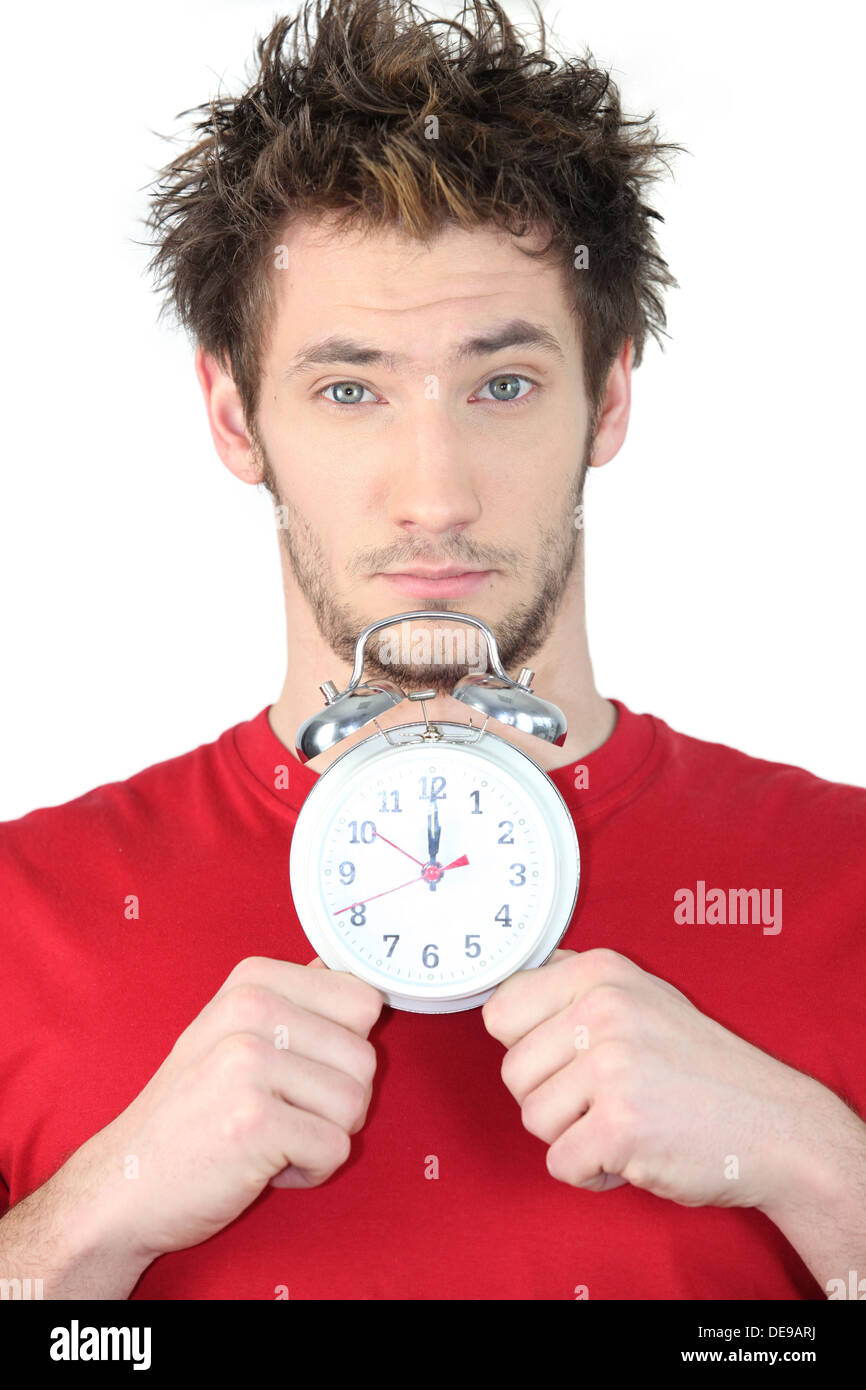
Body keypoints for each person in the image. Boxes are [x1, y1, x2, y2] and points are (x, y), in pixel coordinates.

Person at [1, 0, 864, 1302]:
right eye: (349, 387)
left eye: (500, 383)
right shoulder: (24, 918)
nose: (434, 492)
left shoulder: (845, 881)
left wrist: (811, 1163)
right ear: (234, 416)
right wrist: (84, 1223)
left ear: (608, 394)